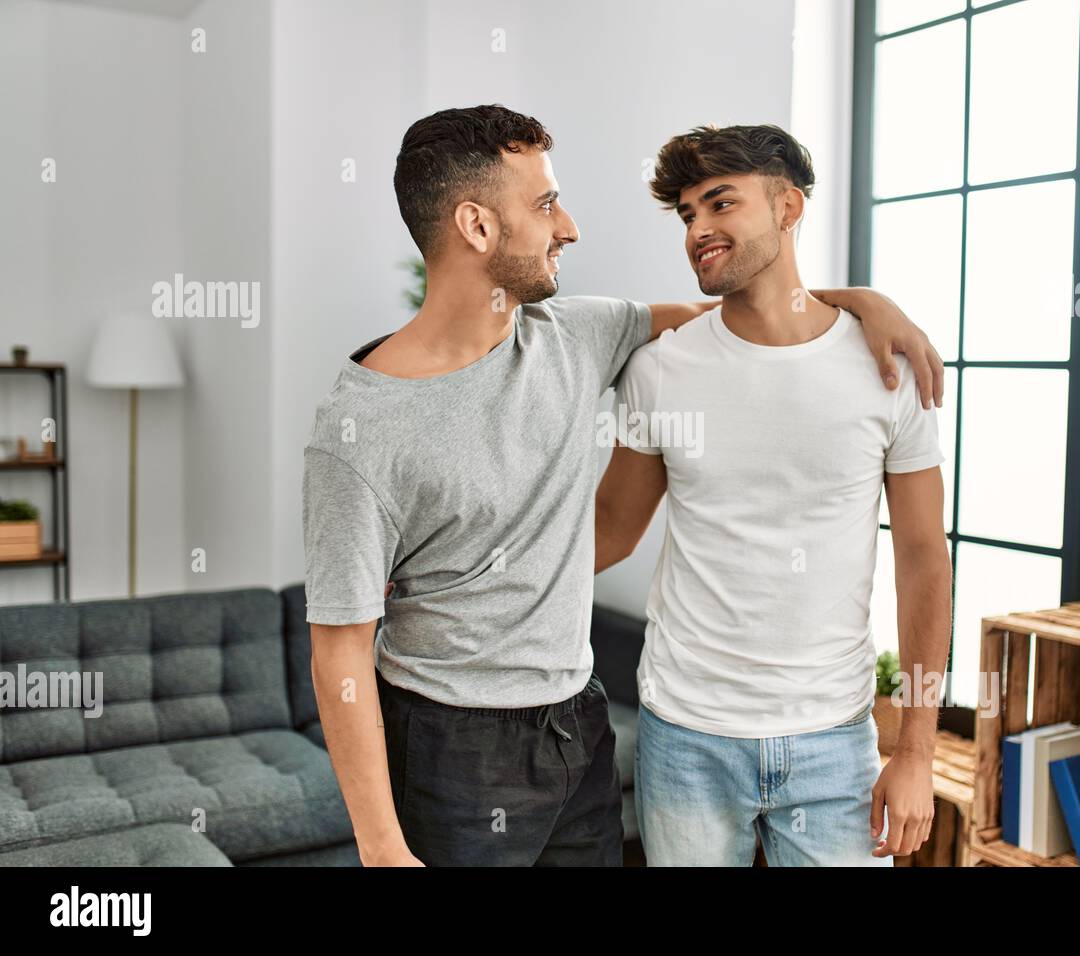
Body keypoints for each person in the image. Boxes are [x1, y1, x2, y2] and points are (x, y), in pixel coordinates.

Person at [302, 105, 943, 866]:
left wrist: (865, 302)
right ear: (476, 226)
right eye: (545, 205)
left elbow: (748, 318)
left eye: (720, 202)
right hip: (456, 740)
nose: (568, 226)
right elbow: (338, 651)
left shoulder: (577, 335)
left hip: (583, 725)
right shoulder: (361, 427)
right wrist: (380, 848)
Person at [594, 123, 953, 866]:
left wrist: (917, 749)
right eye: (687, 214)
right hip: (685, 734)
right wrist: (475, 576)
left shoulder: (886, 365)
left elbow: (924, 558)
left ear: (788, 207)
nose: (698, 229)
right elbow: (610, 528)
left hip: (835, 739)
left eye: (720, 204)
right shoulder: (663, 369)